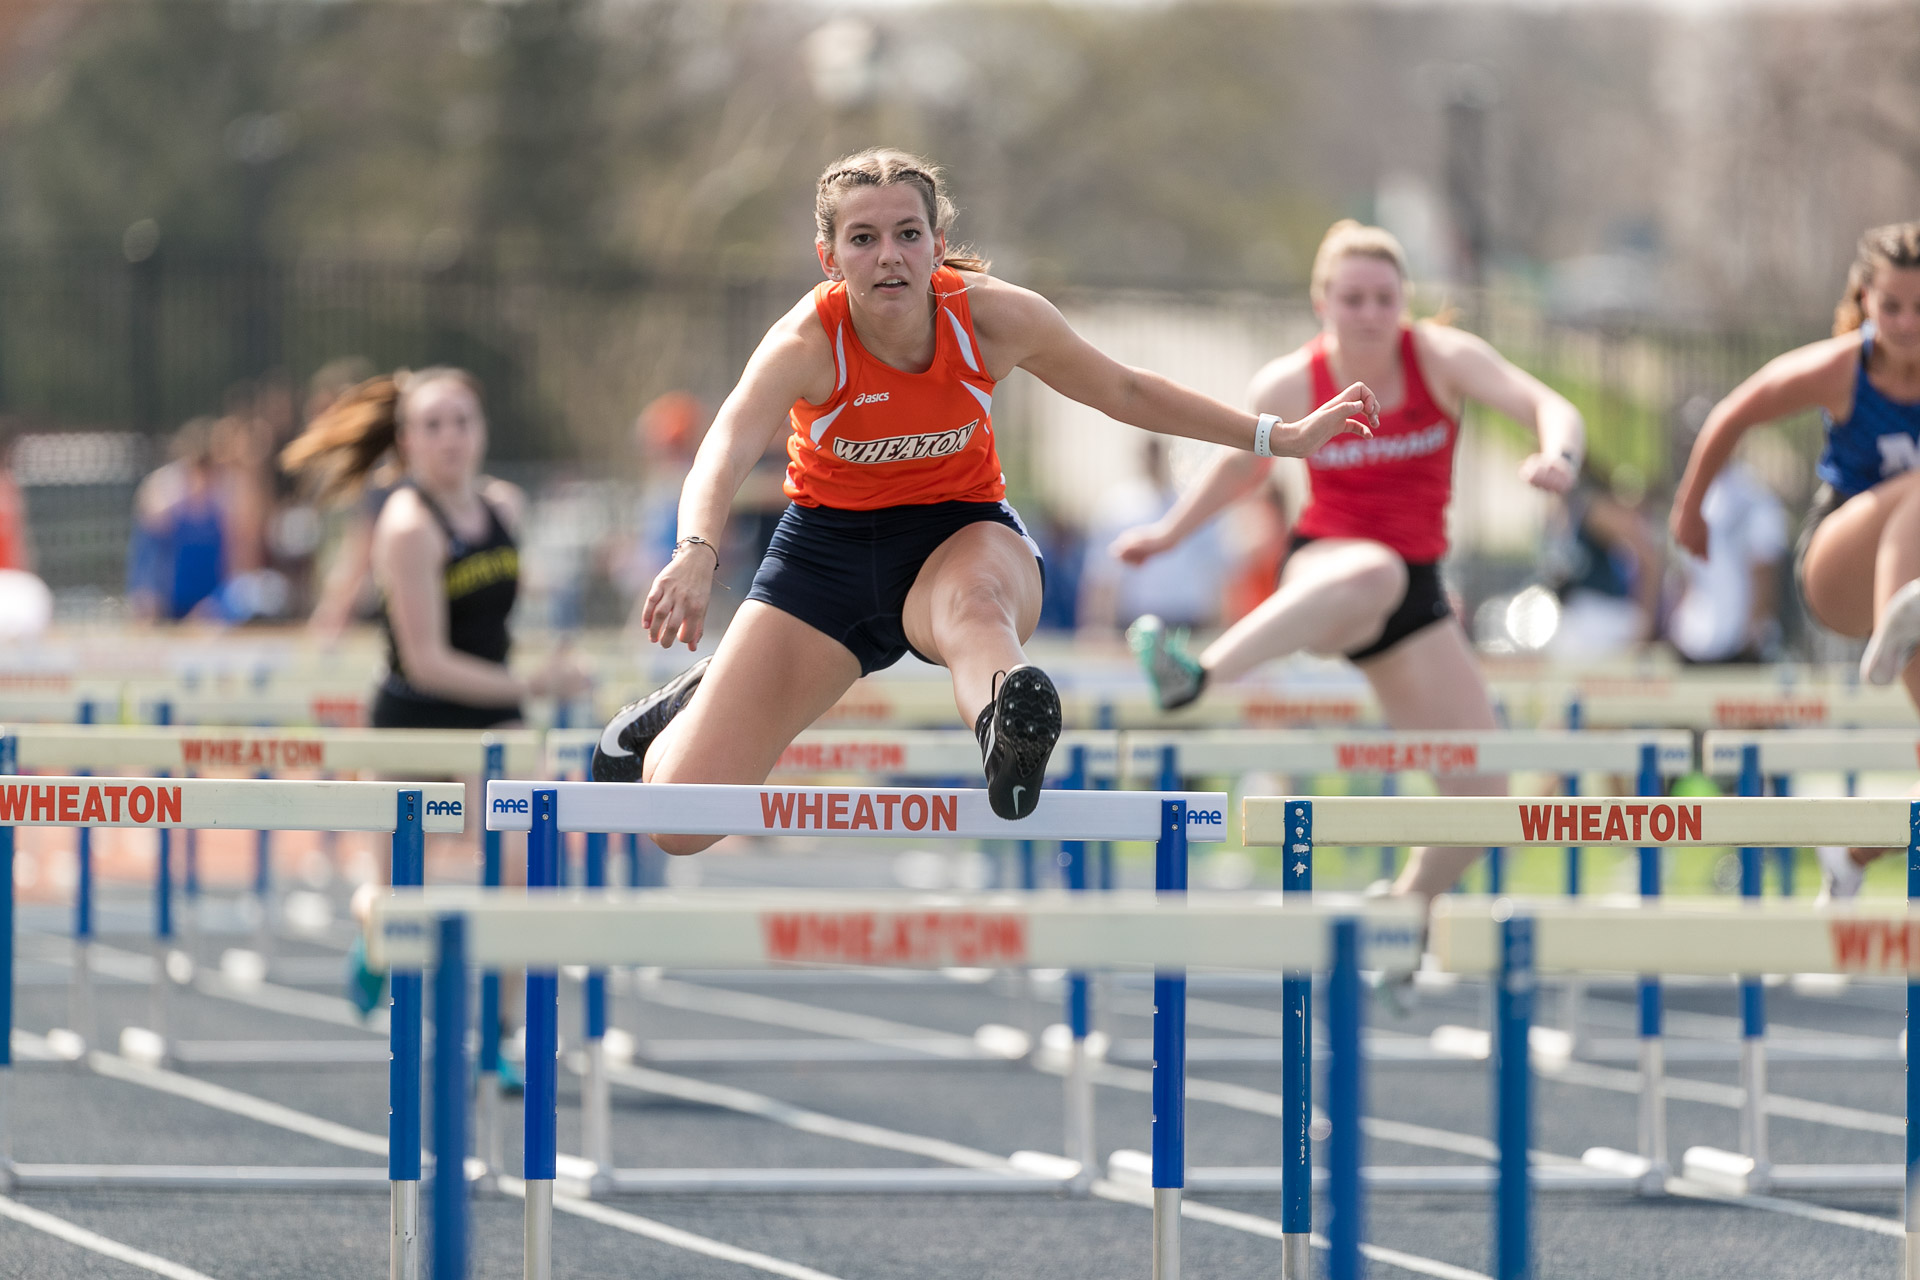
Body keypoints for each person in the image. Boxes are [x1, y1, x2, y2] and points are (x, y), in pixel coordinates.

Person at [590, 148, 1378, 850]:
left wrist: (1279, 436)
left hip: (958, 537)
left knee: (973, 609)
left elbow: (1125, 389)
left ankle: (1007, 722)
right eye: (863, 240)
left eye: (907, 234)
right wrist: (696, 550)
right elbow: (722, 448)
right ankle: (692, 701)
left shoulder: (994, 317)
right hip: (824, 560)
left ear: (937, 245)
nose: (888, 257)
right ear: (830, 257)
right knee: (679, 823)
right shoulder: (806, 342)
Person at [1116, 220, 1584, 910]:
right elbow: (1239, 467)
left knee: (1486, 795)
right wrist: (1167, 532)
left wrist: (1558, 458)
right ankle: (1198, 673)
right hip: (1326, 569)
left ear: (1405, 302)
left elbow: (1549, 404)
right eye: (1353, 299)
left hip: (1413, 599)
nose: (1369, 315)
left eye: (1383, 299)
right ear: (1322, 302)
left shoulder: (1441, 358)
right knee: (1373, 571)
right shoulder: (1290, 382)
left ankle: (1403, 912)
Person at [280, 366, 587, 1045]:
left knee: (525, 864)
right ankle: (373, 936)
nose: (450, 439)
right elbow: (428, 661)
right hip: (411, 720)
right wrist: (538, 684)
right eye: (432, 426)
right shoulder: (407, 525)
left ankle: (502, 1031)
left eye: (462, 422)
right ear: (406, 442)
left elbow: (493, 610)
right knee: (396, 905)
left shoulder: (505, 506)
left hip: (489, 717)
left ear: (481, 431)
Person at [1669, 221, 1920, 899]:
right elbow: (1732, 413)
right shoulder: (1844, 368)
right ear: (1866, 302)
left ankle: (1851, 857)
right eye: (1892, 307)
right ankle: (1900, 618)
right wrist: (1690, 511)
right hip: (1841, 569)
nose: (1906, 324)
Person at [1077, 437, 1226, 635]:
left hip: (1188, 619)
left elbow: (1215, 569)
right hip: (1135, 619)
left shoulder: (1193, 501)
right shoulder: (1117, 506)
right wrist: (1096, 625)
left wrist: (1220, 623)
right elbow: (1102, 573)